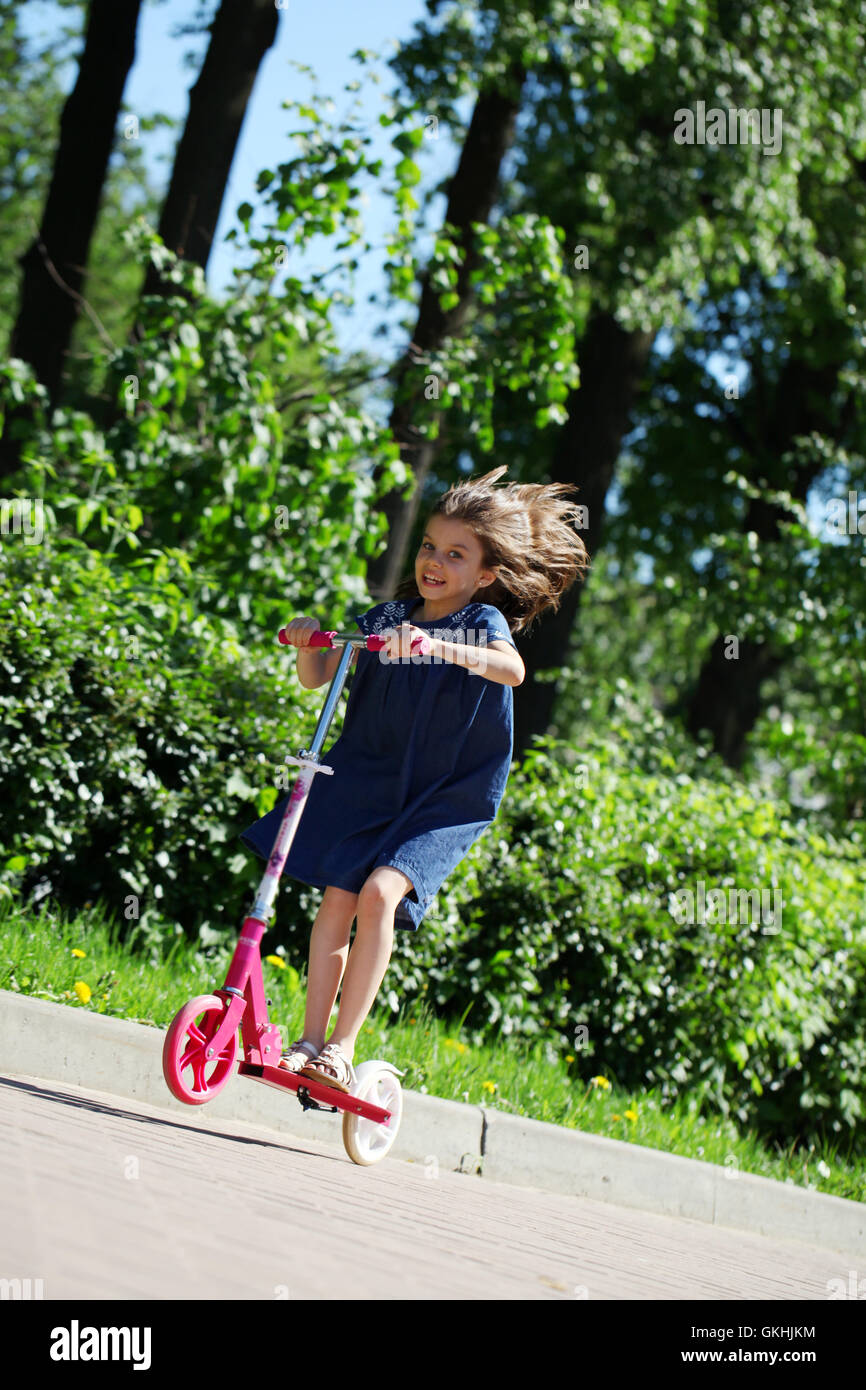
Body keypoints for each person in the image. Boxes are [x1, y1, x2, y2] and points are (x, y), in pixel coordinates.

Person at [238, 465, 589, 1091]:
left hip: (445, 797)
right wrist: (303, 641)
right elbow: (318, 674)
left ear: (485, 575)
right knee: (338, 900)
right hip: (371, 780)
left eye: (456, 554)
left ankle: (341, 1051)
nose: (435, 561)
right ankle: (309, 1041)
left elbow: (512, 672)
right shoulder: (387, 617)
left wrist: (440, 648)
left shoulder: (481, 625)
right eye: (430, 546)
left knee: (378, 895)